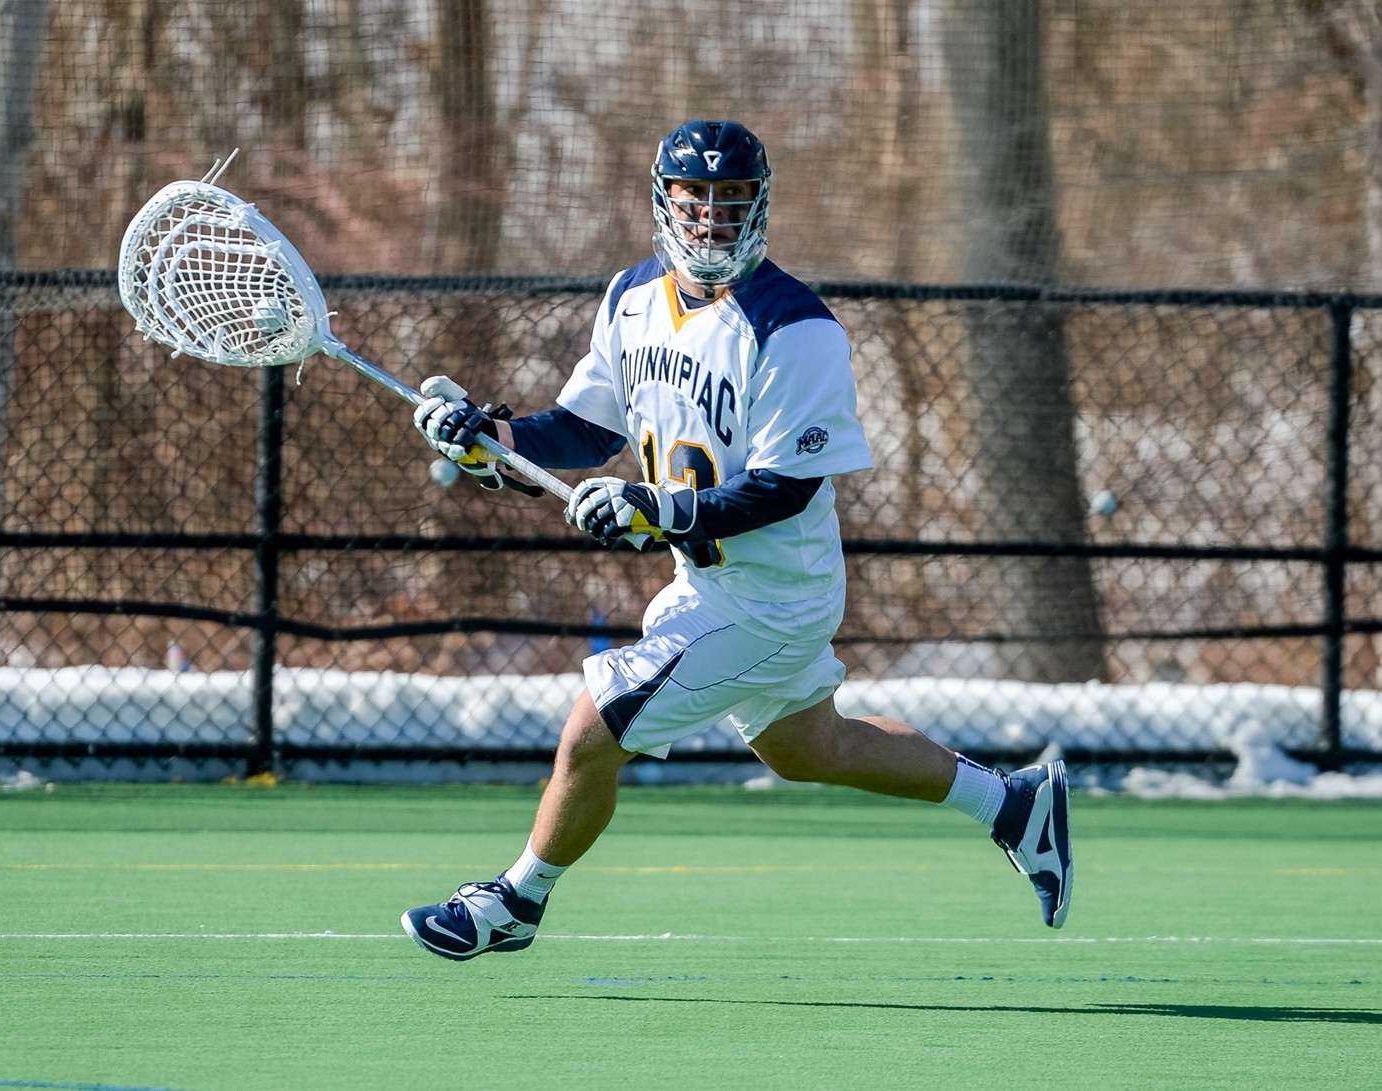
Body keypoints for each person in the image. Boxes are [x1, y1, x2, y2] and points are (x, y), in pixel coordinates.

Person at [401, 120, 1072, 961]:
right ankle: (1012, 803)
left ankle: (515, 903)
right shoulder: (631, 298)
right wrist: (489, 436)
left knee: (596, 726)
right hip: (710, 584)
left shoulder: (797, 326)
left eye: (731, 202)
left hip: (773, 590)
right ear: (664, 203)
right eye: (695, 201)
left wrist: (662, 510)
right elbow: (579, 429)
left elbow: (788, 486)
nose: (711, 221)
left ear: (759, 207)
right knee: (808, 746)